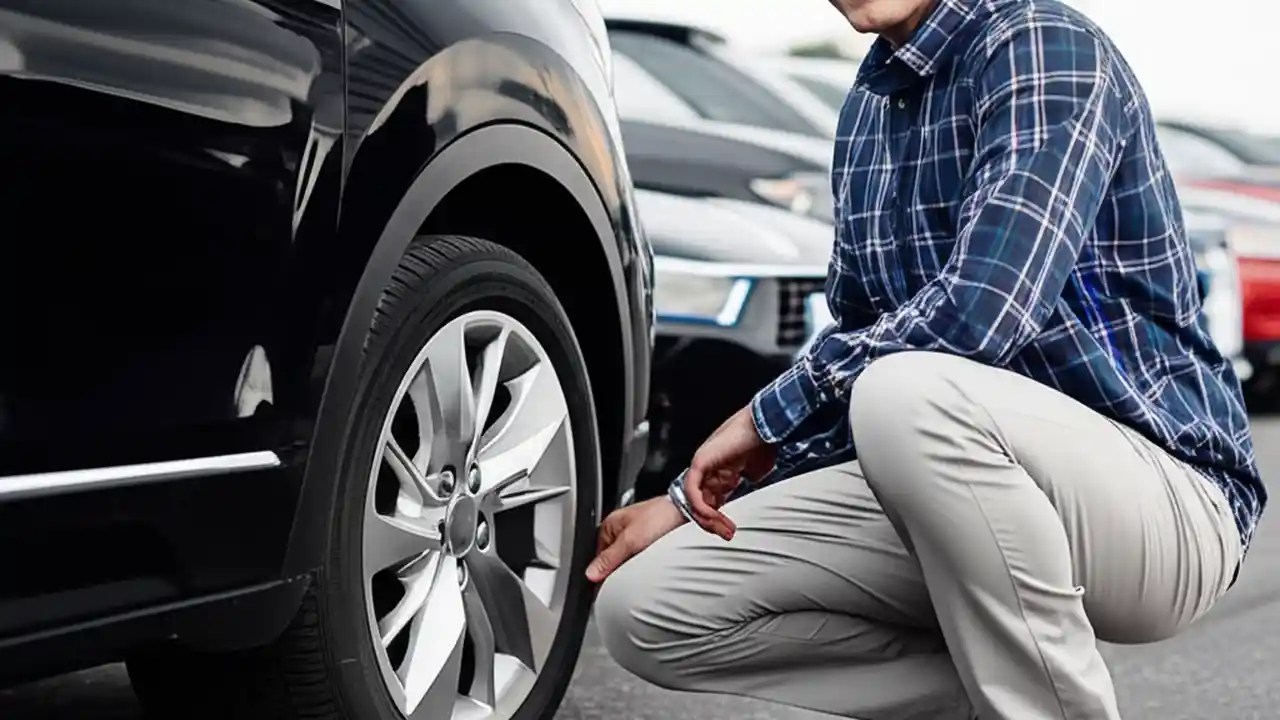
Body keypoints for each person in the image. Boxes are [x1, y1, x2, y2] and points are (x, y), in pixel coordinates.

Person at [587, 1, 1266, 719]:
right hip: (965, 476)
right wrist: (691, 503)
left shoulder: (1040, 45)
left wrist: (765, 416)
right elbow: (861, 349)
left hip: (1164, 497)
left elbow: (980, 312)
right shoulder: (870, 108)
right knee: (649, 608)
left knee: (905, 392)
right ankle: (992, 695)